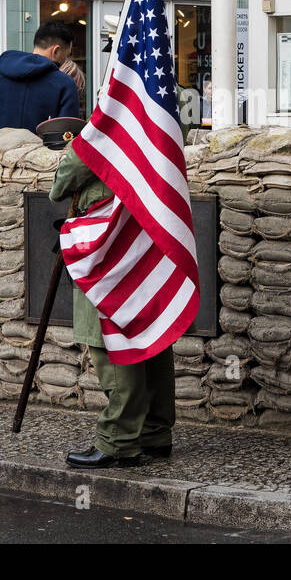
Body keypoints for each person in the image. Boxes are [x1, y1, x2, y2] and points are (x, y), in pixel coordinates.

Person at [50, 145, 176, 468]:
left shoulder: (116, 110)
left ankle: (118, 439)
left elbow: (66, 176)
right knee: (147, 327)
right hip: (146, 229)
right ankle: (154, 431)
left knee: (109, 337)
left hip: (109, 238)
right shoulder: (155, 106)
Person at [0, 22, 80, 135]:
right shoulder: (65, 83)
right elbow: (66, 135)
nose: (66, 60)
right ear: (55, 50)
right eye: (67, 55)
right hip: (41, 151)